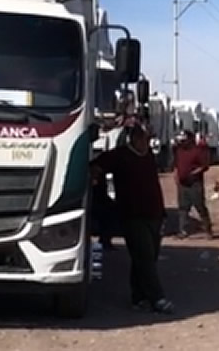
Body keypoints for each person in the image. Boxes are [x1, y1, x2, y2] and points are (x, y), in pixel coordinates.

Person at [90, 124, 174, 313]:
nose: (146, 143)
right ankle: (158, 298)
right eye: (144, 139)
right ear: (135, 139)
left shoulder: (149, 156)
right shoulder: (120, 156)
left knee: (146, 258)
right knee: (144, 256)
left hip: (154, 214)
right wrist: (97, 186)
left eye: (148, 139)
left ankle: (139, 297)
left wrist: (162, 213)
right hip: (133, 216)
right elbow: (96, 167)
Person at [174, 130, 214, 239]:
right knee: (183, 208)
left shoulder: (198, 151)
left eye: (184, 140)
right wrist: (176, 176)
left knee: (200, 207)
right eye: (181, 141)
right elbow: (176, 165)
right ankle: (183, 231)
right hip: (182, 184)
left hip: (195, 184)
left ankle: (208, 230)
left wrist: (193, 174)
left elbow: (204, 166)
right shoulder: (179, 151)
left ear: (190, 140)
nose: (182, 142)